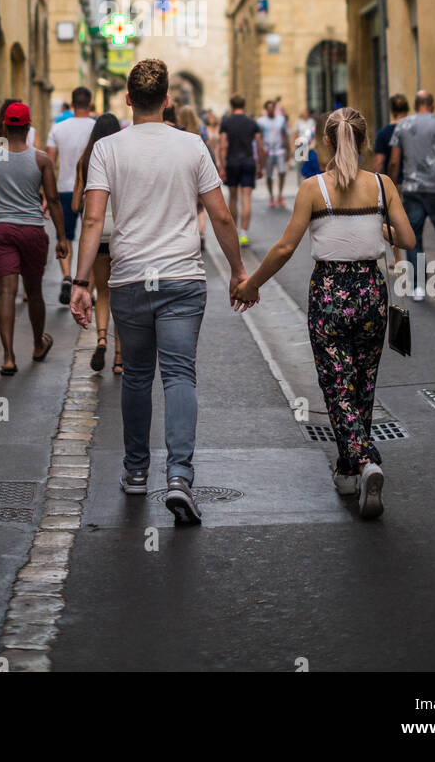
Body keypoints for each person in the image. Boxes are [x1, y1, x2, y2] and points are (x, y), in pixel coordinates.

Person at [69, 58, 252, 527]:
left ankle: (134, 472)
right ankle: (179, 478)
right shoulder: (192, 146)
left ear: (127, 100)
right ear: (168, 100)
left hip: (130, 280)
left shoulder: (108, 149)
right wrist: (237, 271)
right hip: (182, 280)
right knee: (178, 376)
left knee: (135, 377)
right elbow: (221, 215)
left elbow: (92, 220)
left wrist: (81, 281)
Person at [235, 107, 415, 520]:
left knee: (336, 386)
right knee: (363, 384)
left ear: (327, 143)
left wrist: (251, 285)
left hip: (330, 295)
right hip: (370, 291)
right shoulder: (382, 186)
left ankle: (364, 459)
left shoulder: (313, 188)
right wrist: (378, 227)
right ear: (366, 142)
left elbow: (283, 248)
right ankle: (348, 469)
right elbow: (406, 237)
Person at [0, 102, 68, 374]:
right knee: (35, 291)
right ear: (28, 128)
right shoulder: (41, 159)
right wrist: (62, 238)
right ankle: (38, 344)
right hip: (32, 231)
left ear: (4, 126)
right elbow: (52, 200)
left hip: (3, 231)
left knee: (6, 292)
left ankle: (8, 357)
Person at [388, 89, 435, 300]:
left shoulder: (402, 126)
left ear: (414, 106)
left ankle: (418, 287)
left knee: (415, 237)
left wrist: (392, 187)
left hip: (413, 191)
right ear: (432, 105)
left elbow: (394, 160)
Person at [72, 113, 123, 375]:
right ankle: (119, 358)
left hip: (98, 235)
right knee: (122, 297)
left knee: (102, 292)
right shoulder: (125, 156)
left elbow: (74, 205)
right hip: (123, 235)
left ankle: (101, 338)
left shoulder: (86, 159)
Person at [47, 87, 96, 304]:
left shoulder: (58, 128)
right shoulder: (96, 128)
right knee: (92, 236)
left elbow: (49, 164)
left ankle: (67, 277)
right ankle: (87, 285)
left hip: (64, 189)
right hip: (92, 191)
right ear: (91, 103)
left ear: (72, 103)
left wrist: (46, 196)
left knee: (64, 236)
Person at [218, 94, 264, 245]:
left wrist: (222, 166)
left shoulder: (226, 122)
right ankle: (244, 234)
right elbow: (259, 145)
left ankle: (234, 231)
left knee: (232, 197)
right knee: (246, 198)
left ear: (231, 106)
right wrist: (260, 165)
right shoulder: (252, 122)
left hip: (232, 162)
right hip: (248, 162)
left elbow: (223, 145)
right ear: (244, 105)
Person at [178, 104, 208, 250]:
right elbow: (207, 147)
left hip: (184, 167)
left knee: (188, 204)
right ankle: (201, 233)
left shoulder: (177, 129)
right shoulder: (201, 129)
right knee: (200, 206)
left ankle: (191, 234)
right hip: (198, 166)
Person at [257, 99, 290, 209]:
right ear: (266, 110)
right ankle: (271, 196)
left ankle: (280, 195)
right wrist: (260, 151)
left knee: (282, 172)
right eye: (269, 108)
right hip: (268, 151)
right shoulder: (261, 121)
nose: (271, 110)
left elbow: (285, 134)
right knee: (269, 175)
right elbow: (259, 137)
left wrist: (288, 150)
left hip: (280, 150)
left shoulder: (281, 119)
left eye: (273, 108)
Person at [373, 93, 409, 176]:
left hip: (396, 182)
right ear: (407, 108)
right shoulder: (414, 130)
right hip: (416, 181)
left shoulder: (383, 133)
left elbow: (379, 162)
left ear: (392, 110)